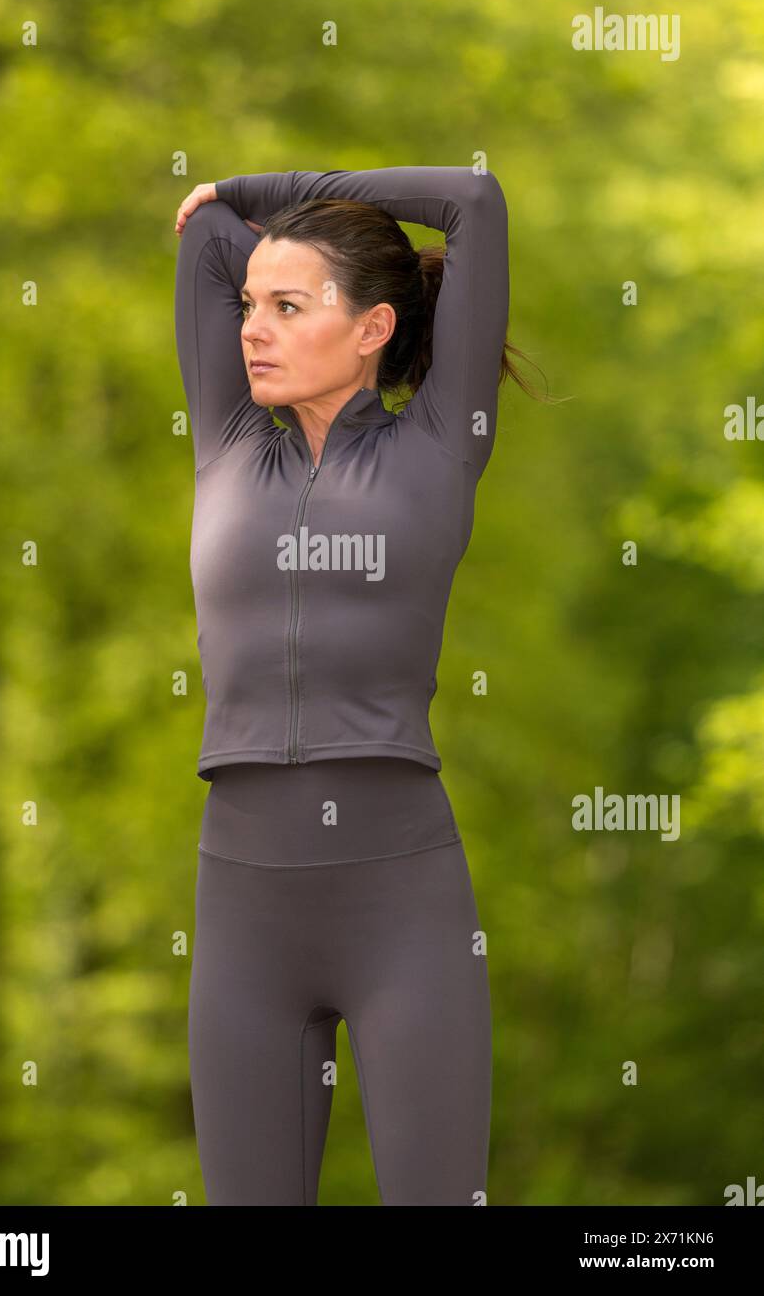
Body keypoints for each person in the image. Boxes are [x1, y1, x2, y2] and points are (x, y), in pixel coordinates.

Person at [174, 165, 512, 1205]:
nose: (251, 329)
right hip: (240, 909)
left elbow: (474, 203)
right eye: (248, 308)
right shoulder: (228, 445)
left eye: (286, 309)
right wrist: (251, 233)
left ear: (371, 328)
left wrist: (258, 187)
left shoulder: (438, 448)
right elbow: (204, 243)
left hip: (402, 902)